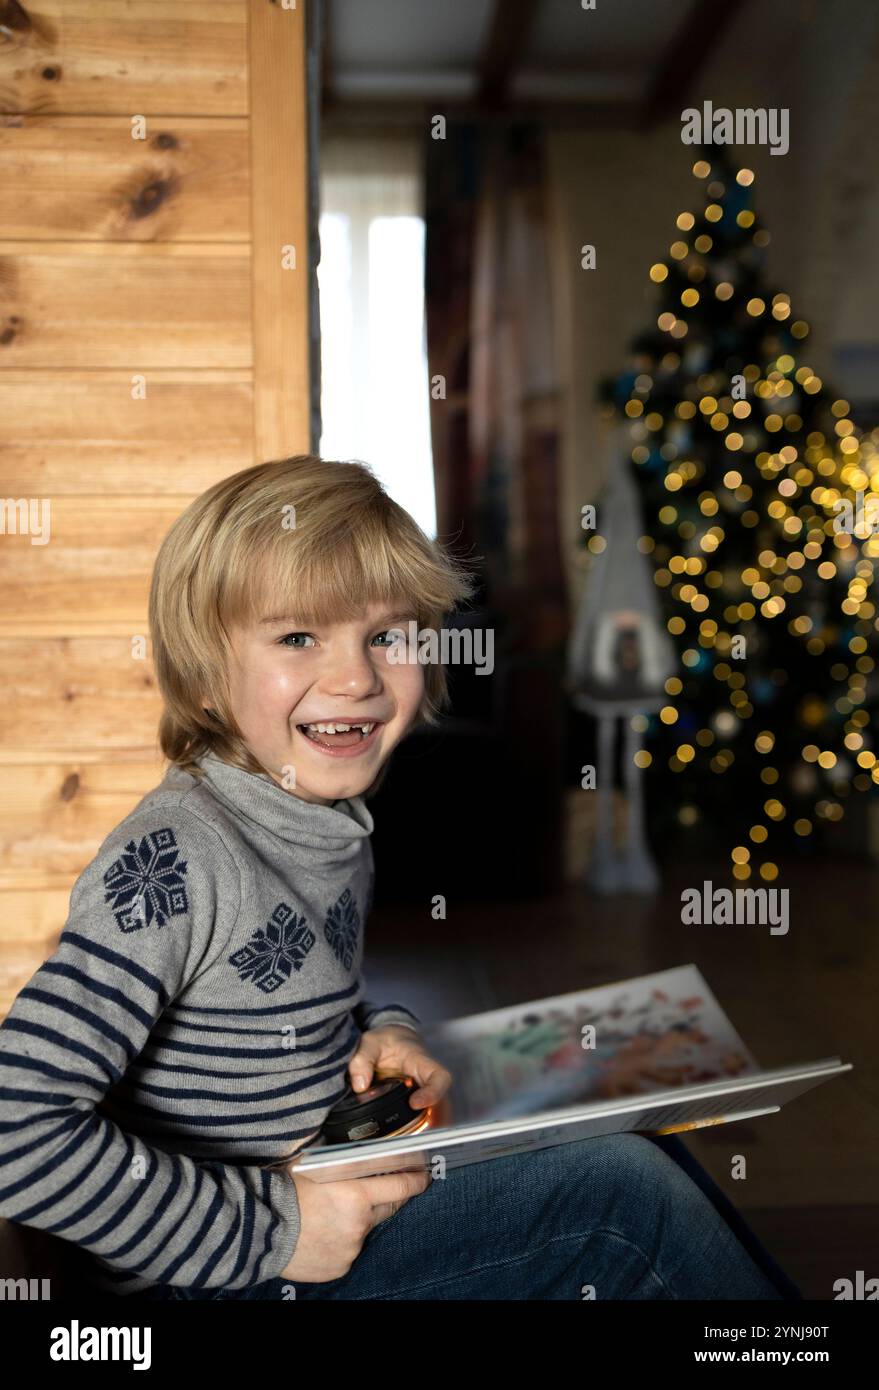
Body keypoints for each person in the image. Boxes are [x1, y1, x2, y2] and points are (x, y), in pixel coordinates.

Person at [0, 456, 799, 1301]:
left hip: (319, 1200)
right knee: (619, 1198)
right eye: (298, 636)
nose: (356, 677)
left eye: (387, 636)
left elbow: (284, 1004)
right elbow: (16, 1129)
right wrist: (275, 1228)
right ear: (203, 672)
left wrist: (384, 1028)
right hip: (227, 1274)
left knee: (642, 1135)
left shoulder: (325, 824)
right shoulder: (173, 860)